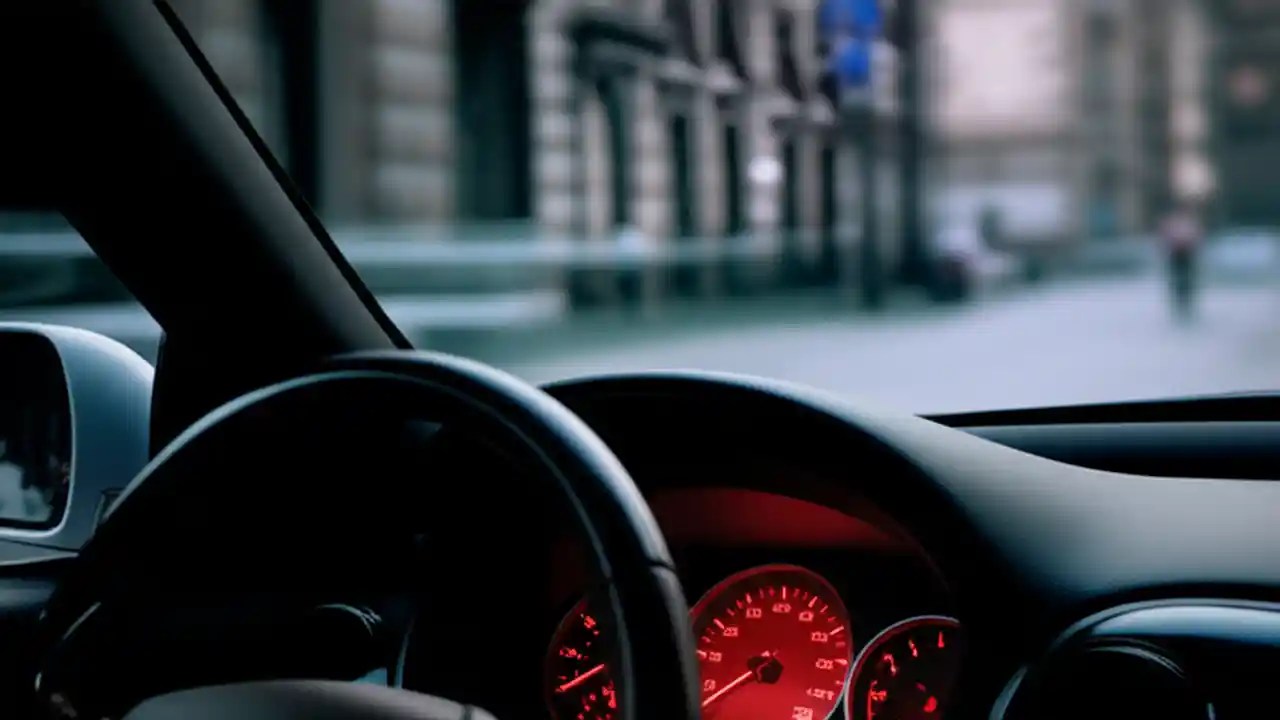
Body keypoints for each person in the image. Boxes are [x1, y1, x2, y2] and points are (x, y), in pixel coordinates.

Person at [1158, 204, 1204, 322]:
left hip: (1187, 254)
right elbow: (1165, 237)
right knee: (1178, 280)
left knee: (1187, 280)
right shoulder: (1172, 222)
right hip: (1176, 254)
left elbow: (1197, 237)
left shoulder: (1190, 223)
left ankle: (1186, 303)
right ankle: (1180, 303)